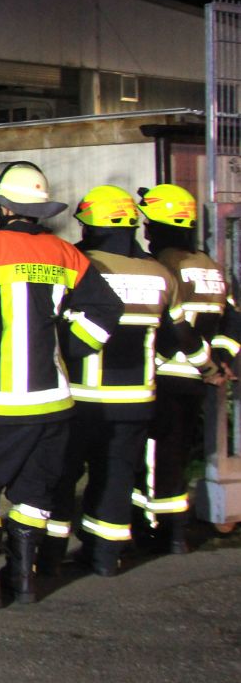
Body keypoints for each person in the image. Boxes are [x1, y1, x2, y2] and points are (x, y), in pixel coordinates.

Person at [0, 162, 121, 608]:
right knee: (36, 489)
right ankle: (24, 579)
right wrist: (66, 350)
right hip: (53, 400)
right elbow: (107, 309)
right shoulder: (66, 254)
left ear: (2, 206)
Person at [47, 186, 186, 576]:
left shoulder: (82, 267)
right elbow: (175, 340)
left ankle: (50, 557)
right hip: (137, 402)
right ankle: (106, 557)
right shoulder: (160, 274)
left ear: (90, 224)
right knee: (116, 478)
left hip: (81, 400)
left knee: (62, 478)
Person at [136, 183, 241, 553]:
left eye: (150, 224)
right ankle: (174, 530)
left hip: (164, 375)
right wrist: (220, 361)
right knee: (175, 455)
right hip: (197, 380)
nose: (145, 231)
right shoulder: (209, 266)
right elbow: (233, 320)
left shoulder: (165, 265)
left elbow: (170, 325)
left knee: (153, 458)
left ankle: (161, 531)